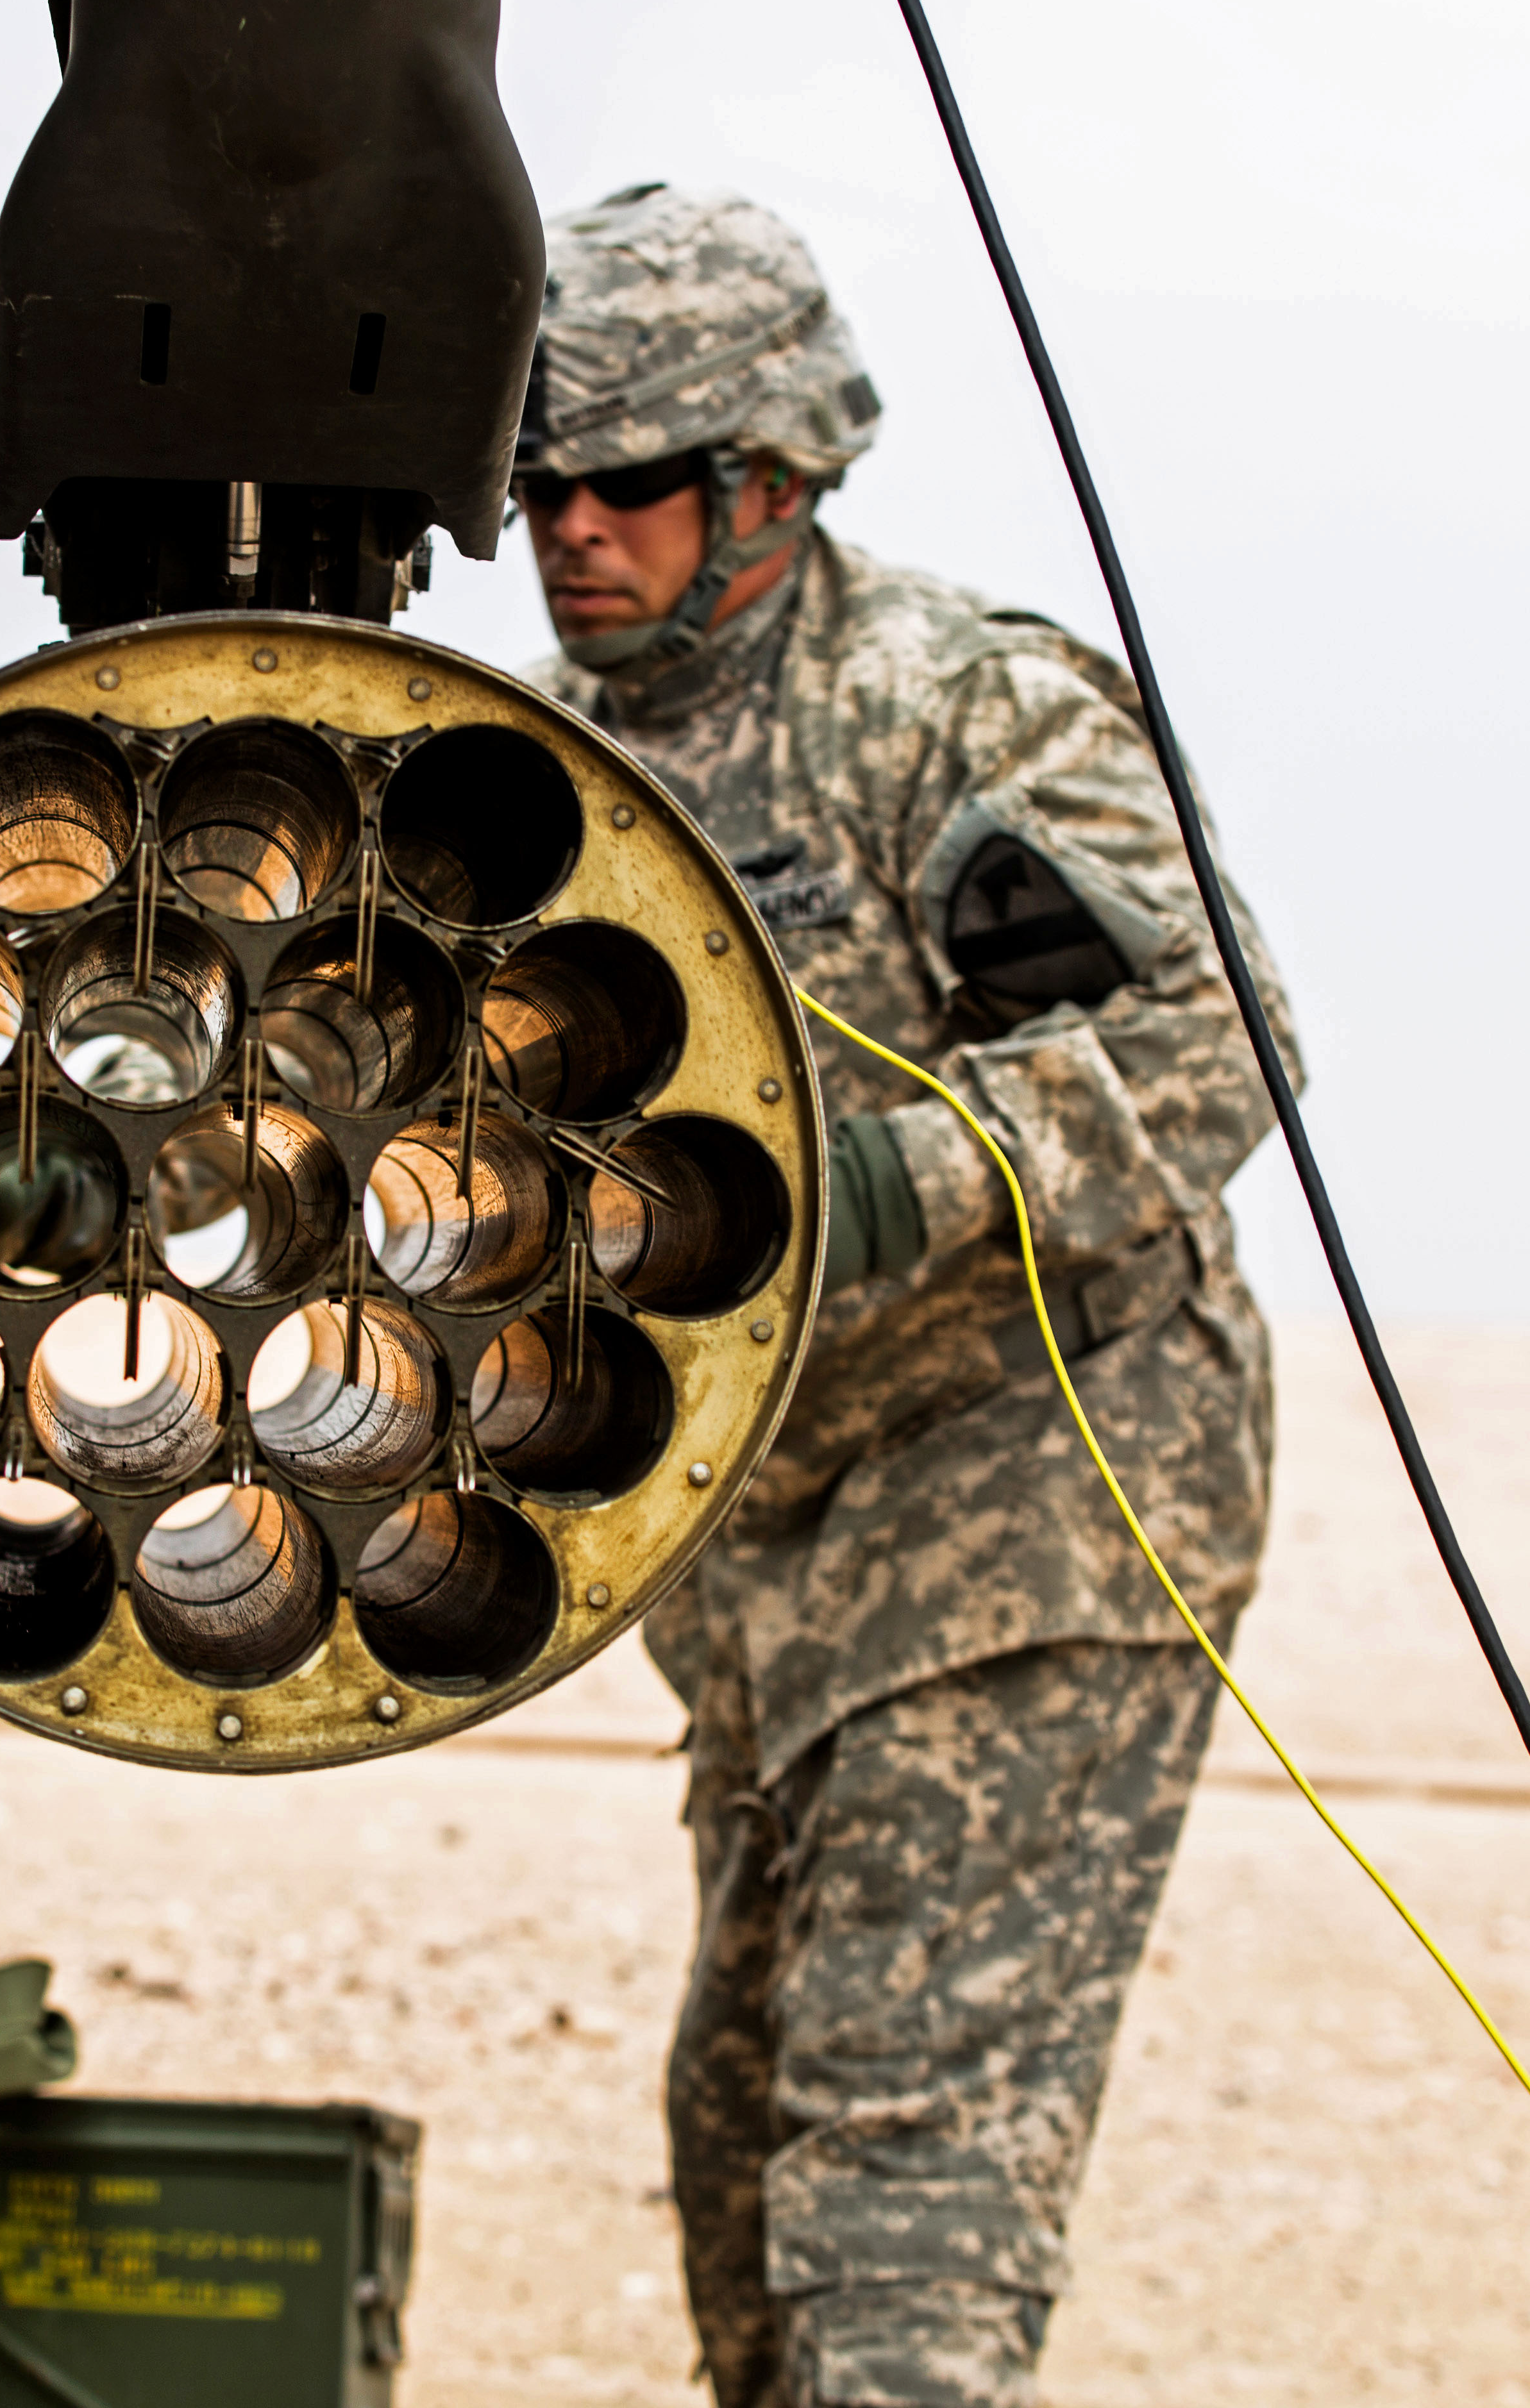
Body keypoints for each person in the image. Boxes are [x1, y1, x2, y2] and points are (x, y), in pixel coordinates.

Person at [519, 183, 1300, 2408]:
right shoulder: (534, 774)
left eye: (630, 485)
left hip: (1036, 1509)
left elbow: (1214, 1040)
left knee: (901, 2171)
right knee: (741, 2144)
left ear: (767, 476)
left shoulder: (952, 709)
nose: (576, 532)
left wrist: (893, 1184)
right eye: (537, 486)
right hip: (767, 1559)